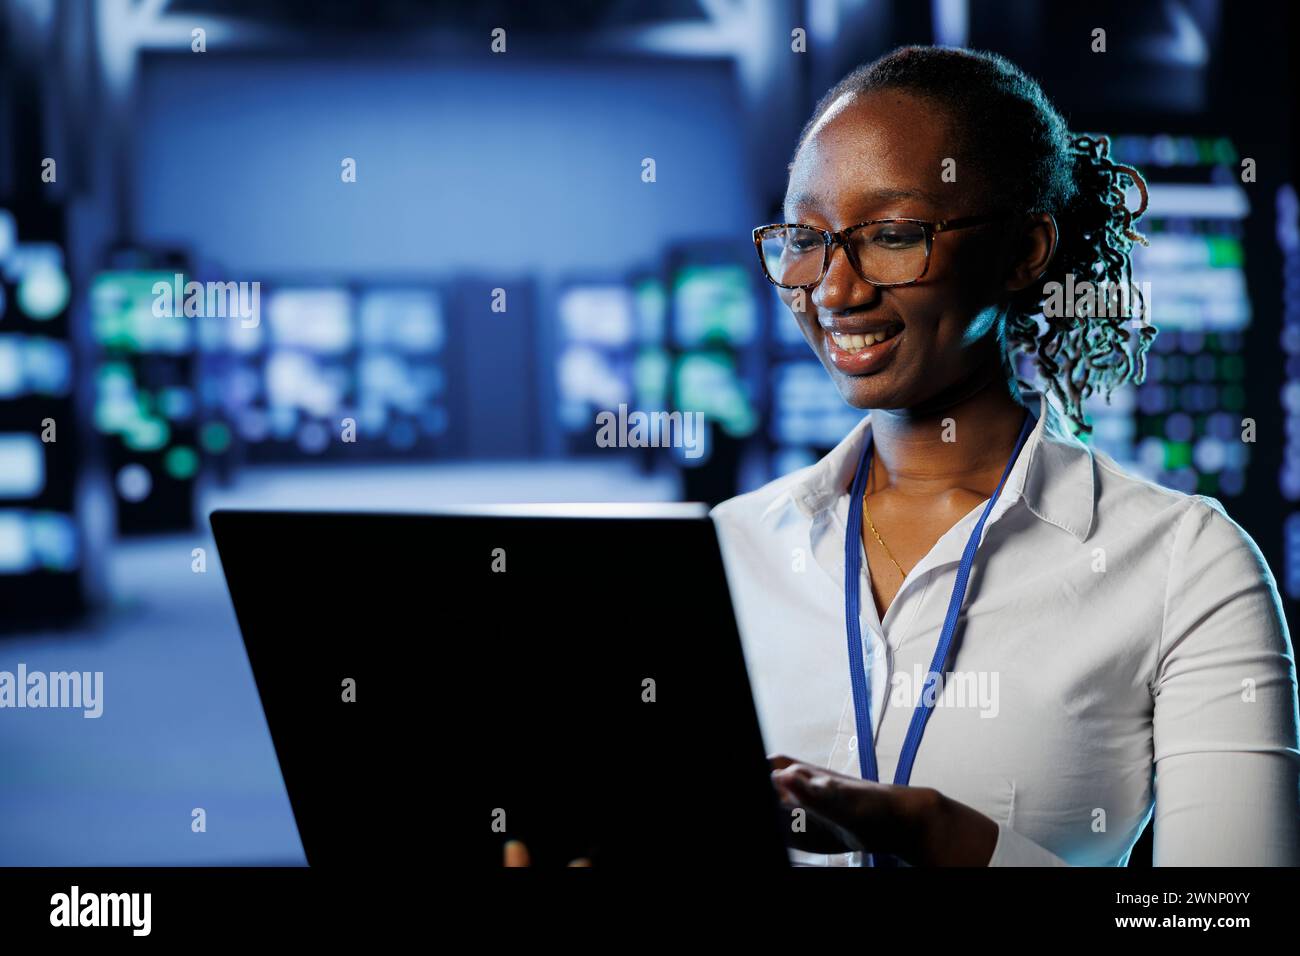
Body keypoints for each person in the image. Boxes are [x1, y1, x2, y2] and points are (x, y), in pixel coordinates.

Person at [710, 45, 1300, 866]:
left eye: (890, 234)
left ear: (1026, 250)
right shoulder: (726, 550)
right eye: (806, 239)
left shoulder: (1185, 565)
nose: (835, 290)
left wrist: (959, 846)